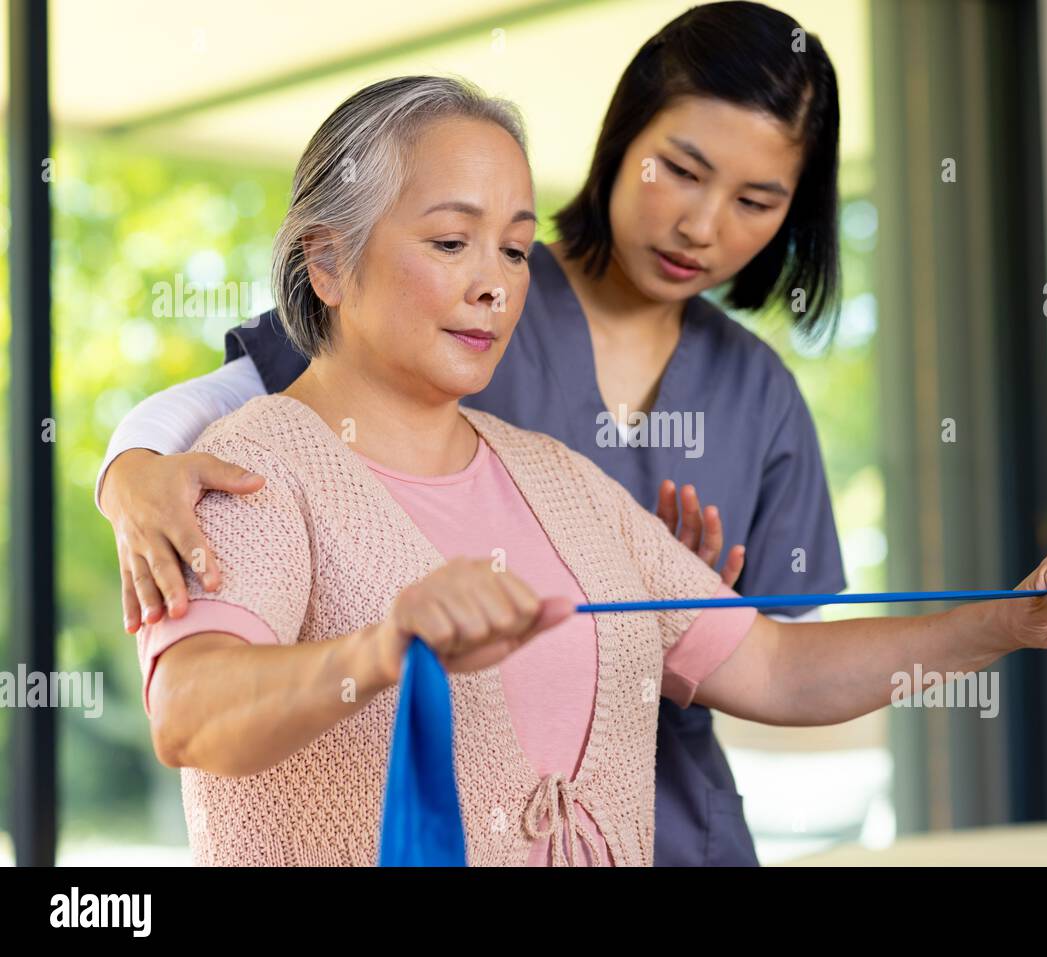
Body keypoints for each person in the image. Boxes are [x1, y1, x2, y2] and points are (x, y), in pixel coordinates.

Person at [136, 75, 1047, 867]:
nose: (495, 281)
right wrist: (379, 649)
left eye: (517, 251)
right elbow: (191, 714)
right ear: (327, 263)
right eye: (450, 242)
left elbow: (774, 669)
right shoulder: (253, 470)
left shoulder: (559, 481)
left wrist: (1007, 621)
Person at [100, 3, 848, 865]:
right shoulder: (440, 325)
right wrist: (130, 468)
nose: (703, 226)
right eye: (679, 171)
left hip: (673, 812)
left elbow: (777, 662)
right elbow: (246, 400)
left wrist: (674, 604)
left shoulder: (759, 390)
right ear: (620, 142)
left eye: (758, 200)